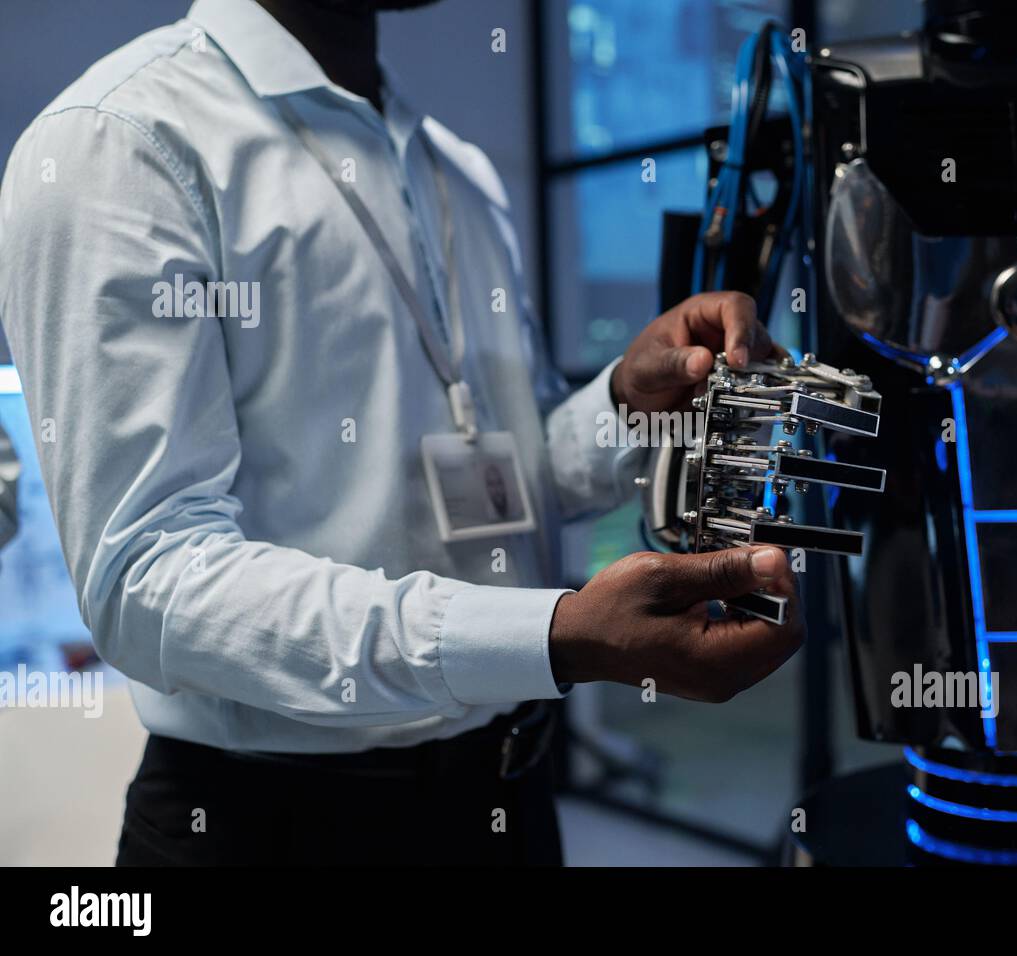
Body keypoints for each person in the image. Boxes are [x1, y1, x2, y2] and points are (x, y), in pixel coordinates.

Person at [0, 0, 804, 865]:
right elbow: (148, 580)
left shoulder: (452, 164)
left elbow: (510, 467)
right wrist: (552, 637)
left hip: (508, 801)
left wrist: (620, 405)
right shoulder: (123, 141)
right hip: (277, 831)